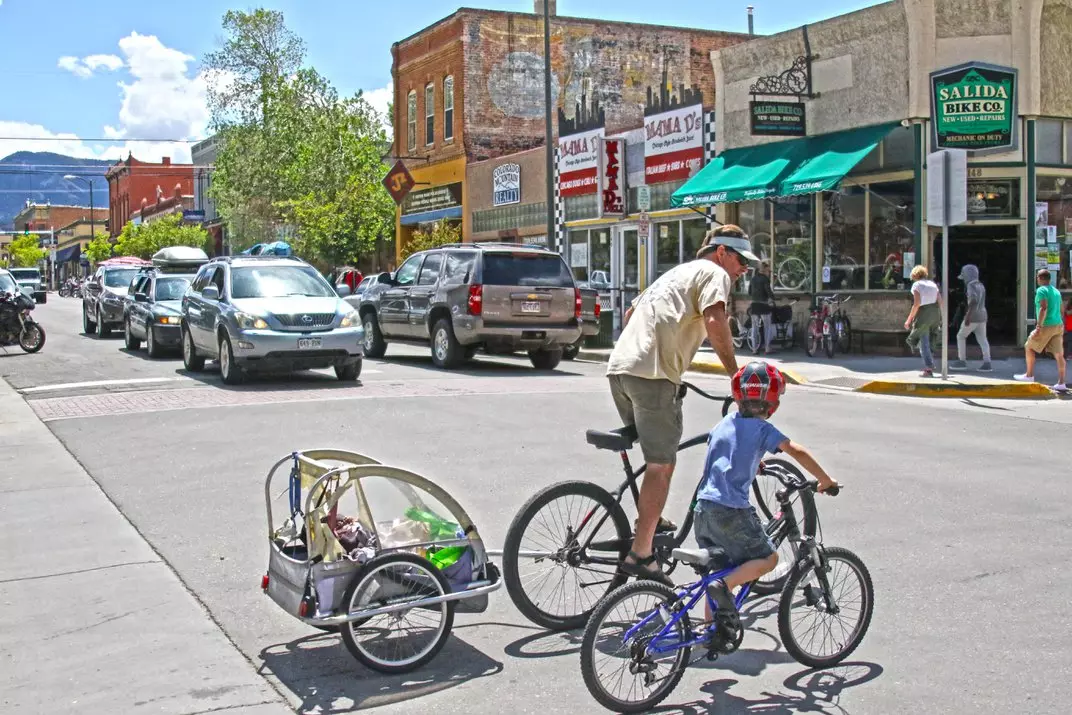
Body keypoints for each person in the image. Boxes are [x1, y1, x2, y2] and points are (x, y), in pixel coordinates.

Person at [607, 224, 756, 585]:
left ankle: (651, 523)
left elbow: (631, 317)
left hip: (620, 370)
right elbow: (715, 319)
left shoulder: (673, 274)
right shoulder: (713, 273)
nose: (743, 270)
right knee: (662, 465)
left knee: (655, 455)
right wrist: (736, 377)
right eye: (740, 261)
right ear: (721, 252)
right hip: (653, 376)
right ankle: (642, 555)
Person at [697, 361, 838, 632]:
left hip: (703, 509)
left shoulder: (724, 422)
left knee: (719, 568)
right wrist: (825, 480)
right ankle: (725, 587)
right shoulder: (763, 430)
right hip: (731, 511)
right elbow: (795, 450)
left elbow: (725, 450)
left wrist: (753, 462)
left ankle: (711, 631)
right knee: (768, 560)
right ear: (772, 404)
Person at [1014, 269, 1067, 392]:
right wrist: (1060, 322)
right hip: (1058, 325)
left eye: (1037, 277)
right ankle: (1061, 383)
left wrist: (1039, 326)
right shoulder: (1056, 291)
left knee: (1029, 346)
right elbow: (1061, 309)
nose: (1037, 279)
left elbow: (1043, 307)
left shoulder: (1041, 290)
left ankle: (1029, 375)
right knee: (1059, 354)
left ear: (1041, 278)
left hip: (1046, 325)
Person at [950, 264, 992, 371]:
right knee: (983, 339)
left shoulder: (970, 286)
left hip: (973, 316)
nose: (963, 280)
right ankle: (987, 362)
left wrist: (968, 316)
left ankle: (962, 361)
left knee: (960, 336)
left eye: (964, 277)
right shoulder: (981, 285)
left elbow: (973, 301)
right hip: (983, 315)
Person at [904, 265, 943, 378]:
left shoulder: (916, 285)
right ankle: (930, 362)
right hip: (935, 313)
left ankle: (928, 368)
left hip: (924, 314)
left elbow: (916, 304)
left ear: (915, 275)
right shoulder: (933, 284)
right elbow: (940, 301)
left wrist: (908, 320)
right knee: (930, 341)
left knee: (923, 343)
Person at [748, 260, 776, 355]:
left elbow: (749, 292)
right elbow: (768, 291)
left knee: (754, 328)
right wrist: (773, 298)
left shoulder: (753, 279)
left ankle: (754, 349)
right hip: (764, 305)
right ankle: (767, 348)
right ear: (765, 270)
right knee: (767, 327)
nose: (769, 273)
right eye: (769, 271)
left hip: (754, 305)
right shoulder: (765, 279)